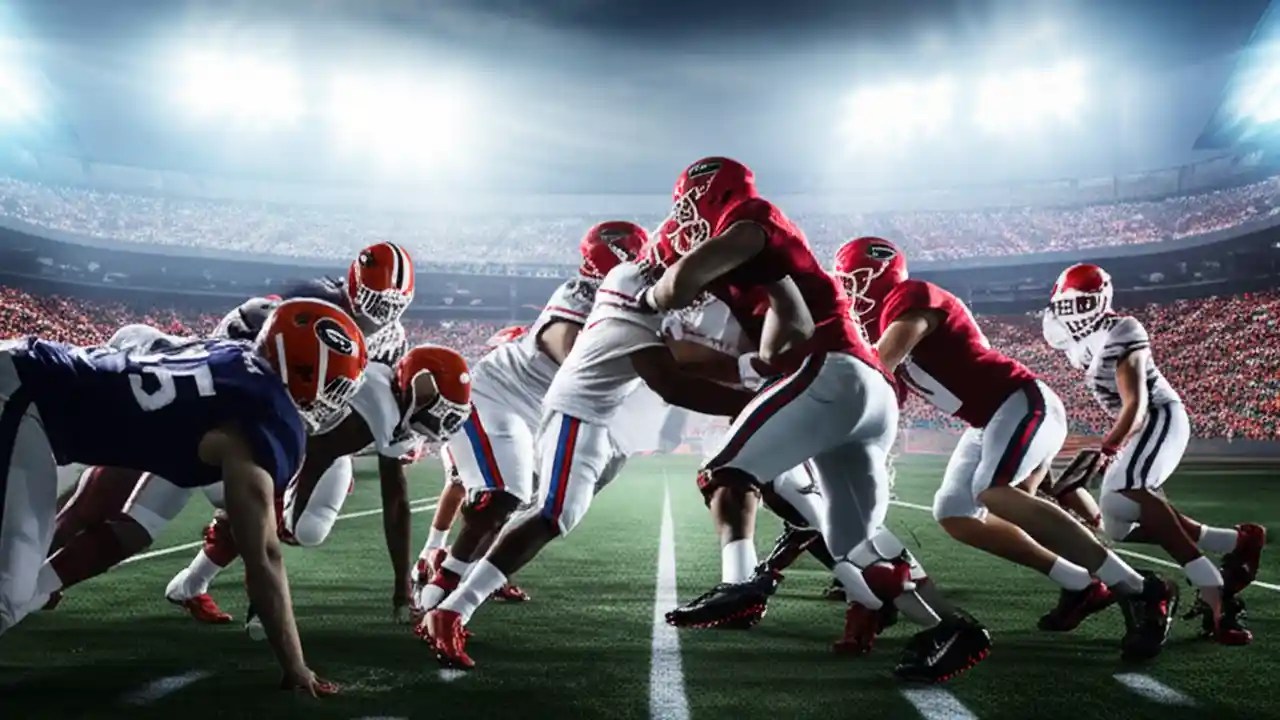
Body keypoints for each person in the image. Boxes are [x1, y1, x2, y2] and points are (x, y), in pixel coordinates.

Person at [644, 158, 989, 683]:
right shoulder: (766, 262)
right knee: (853, 542)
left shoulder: (750, 219)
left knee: (726, 473)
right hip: (864, 390)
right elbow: (781, 332)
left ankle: (741, 586)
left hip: (833, 372)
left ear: (710, 194)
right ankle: (950, 627)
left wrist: (653, 293)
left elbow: (677, 286)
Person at [835, 236, 1180, 662]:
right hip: (987, 421)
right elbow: (886, 400)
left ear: (884, 276)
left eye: (855, 281)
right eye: (843, 283)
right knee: (955, 514)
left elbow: (878, 369)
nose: (848, 293)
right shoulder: (885, 327)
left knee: (993, 490)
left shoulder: (911, 297)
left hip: (1021, 398)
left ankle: (1143, 589)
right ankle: (1080, 584)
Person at [0, 298, 366, 695]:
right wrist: (295, 665)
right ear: (305, 371)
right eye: (336, 387)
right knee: (8, 594)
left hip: (29, 379)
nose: (335, 401)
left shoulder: (235, 357)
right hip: (25, 399)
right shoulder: (262, 417)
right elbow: (264, 557)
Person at [421, 259, 758, 669]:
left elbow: (686, 355)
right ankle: (450, 607)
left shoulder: (652, 307)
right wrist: (754, 399)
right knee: (550, 511)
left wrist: (750, 369)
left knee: (557, 512)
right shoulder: (625, 300)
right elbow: (671, 380)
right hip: (579, 410)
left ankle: (456, 596)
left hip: (607, 421)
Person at [409, 222, 648, 619]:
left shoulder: (629, 303)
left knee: (546, 502)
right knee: (501, 494)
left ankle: (471, 576)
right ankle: (437, 594)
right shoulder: (580, 295)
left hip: (542, 412)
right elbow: (572, 354)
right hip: (497, 396)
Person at [163, 344, 474, 627]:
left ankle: (189, 586)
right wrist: (289, 509)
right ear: (418, 389)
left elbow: (396, 504)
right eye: (437, 410)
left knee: (299, 528)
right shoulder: (376, 405)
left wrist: (401, 586)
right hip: (255, 438)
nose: (438, 423)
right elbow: (316, 453)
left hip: (303, 446)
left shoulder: (390, 403)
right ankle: (255, 601)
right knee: (265, 519)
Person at [1043, 262, 1264, 645]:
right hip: (1139, 427)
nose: (1071, 315)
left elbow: (1137, 404)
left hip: (1158, 416)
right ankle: (1237, 541)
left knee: (1129, 493)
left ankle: (1215, 592)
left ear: (1101, 300)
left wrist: (1108, 447)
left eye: (1080, 305)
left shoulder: (1122, 329)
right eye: (1066, 306)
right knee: (1116, 522)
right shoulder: (1077, 344)